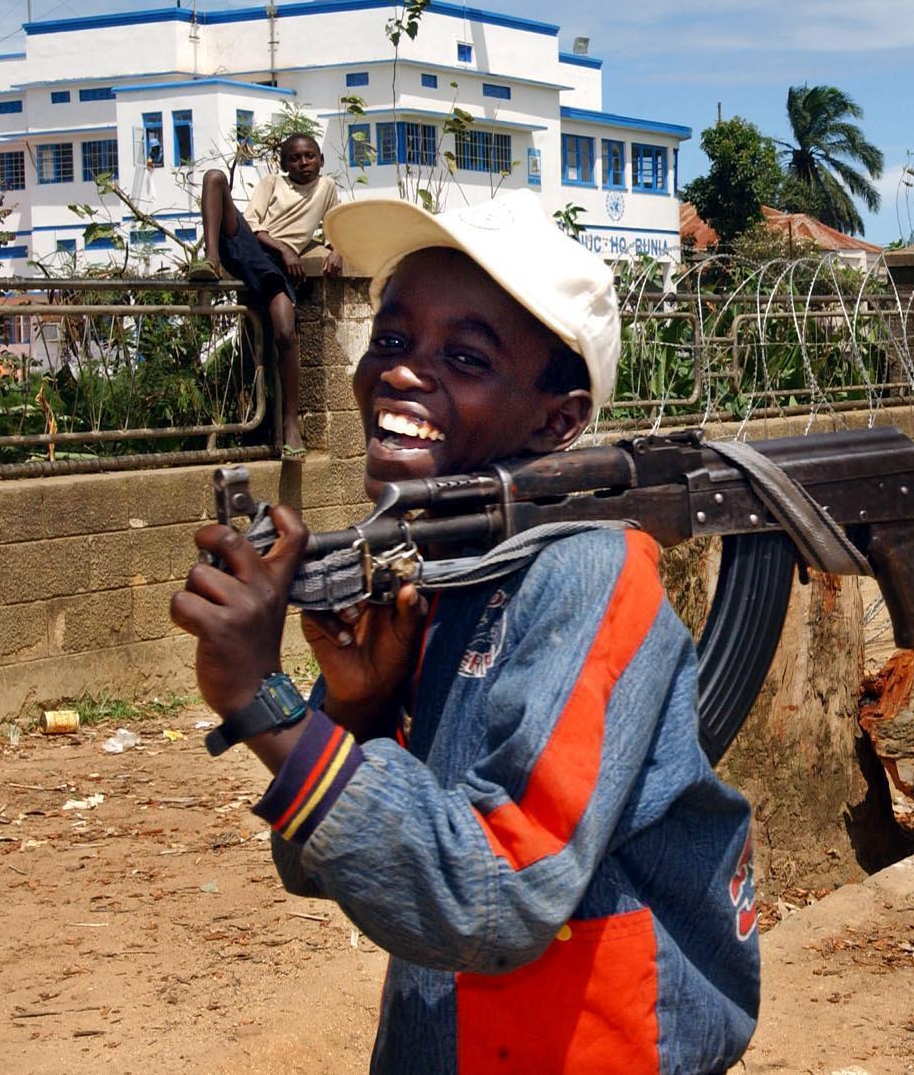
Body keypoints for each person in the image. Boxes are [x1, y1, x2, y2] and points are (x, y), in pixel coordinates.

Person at [170, 194, 760, 1074]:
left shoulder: (587, 572)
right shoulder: (448, 566)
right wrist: (359, 710)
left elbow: (500, 895)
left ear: (556, 420)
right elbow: (325, 865)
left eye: (466, 356)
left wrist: (269, 706)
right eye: (395, 340)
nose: (401, 373)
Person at [197, 131, 340, 459]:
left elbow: (335, 230)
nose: (303, 163)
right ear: (283, 163)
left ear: (321, 159)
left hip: (274, 269)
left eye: (309, 156)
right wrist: (286, 250)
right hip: (252, 246)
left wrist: (338, 249)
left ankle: (291, 423)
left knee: (286, 332)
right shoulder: (273, 183)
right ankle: (211, 260)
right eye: (294, 158)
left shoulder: (327, 188)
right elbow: (255, 225)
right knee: (215, 177)